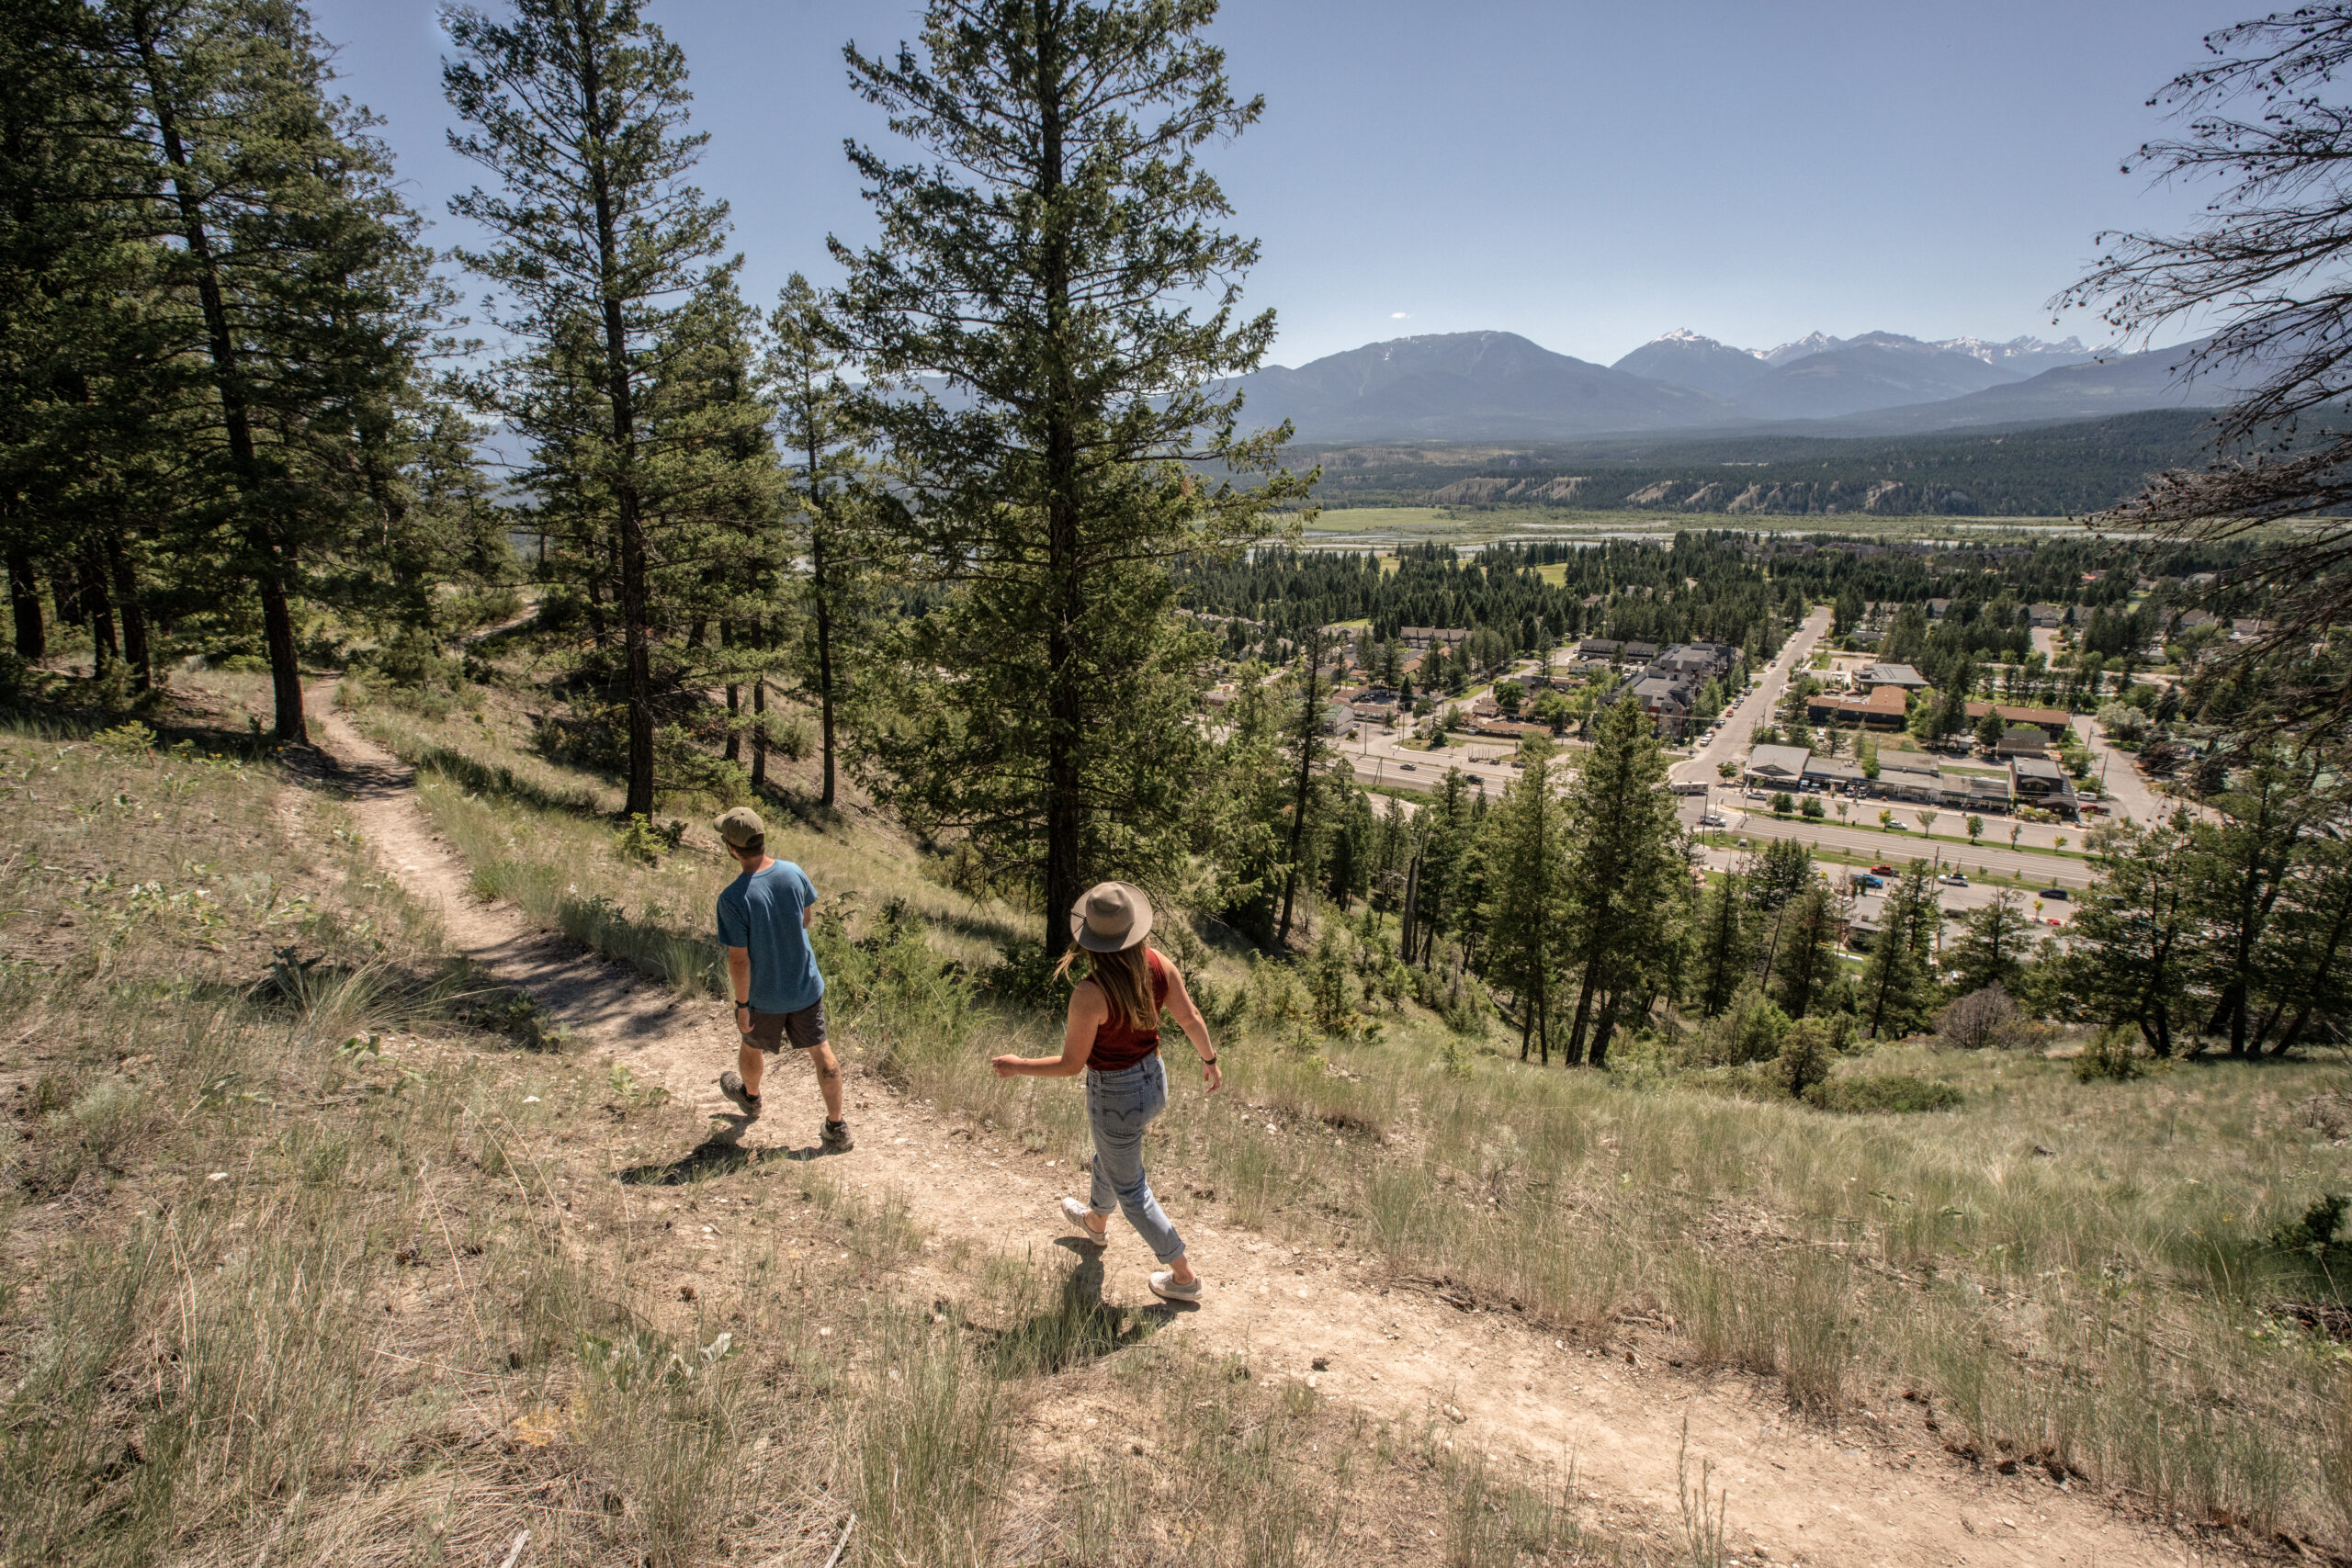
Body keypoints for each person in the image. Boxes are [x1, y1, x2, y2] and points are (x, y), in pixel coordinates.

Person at [991, 882, 1219, 1303]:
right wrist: (1210, 1060)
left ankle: (1183, 1275)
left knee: (1132, 1189)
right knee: (1111, 1157)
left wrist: (1017, 1065)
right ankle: (1096, 1222)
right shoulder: (1157, 964)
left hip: (1116, 1099)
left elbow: (1070, 1065)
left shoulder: (1090, 993)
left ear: (1091, 940)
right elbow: (1190, 1019)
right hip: (1154, 1083)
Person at [712, 807, 851, 1152]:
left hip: (764, 996)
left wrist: (742, 1005)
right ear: (762, 839)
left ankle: (751, 1098)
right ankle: (837, 1127)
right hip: (805, 985)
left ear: (731, 848)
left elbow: (740, 960)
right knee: (821, 1049)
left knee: (752, 1043)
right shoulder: (793, 872)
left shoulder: (732, 899)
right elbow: (805, 920)